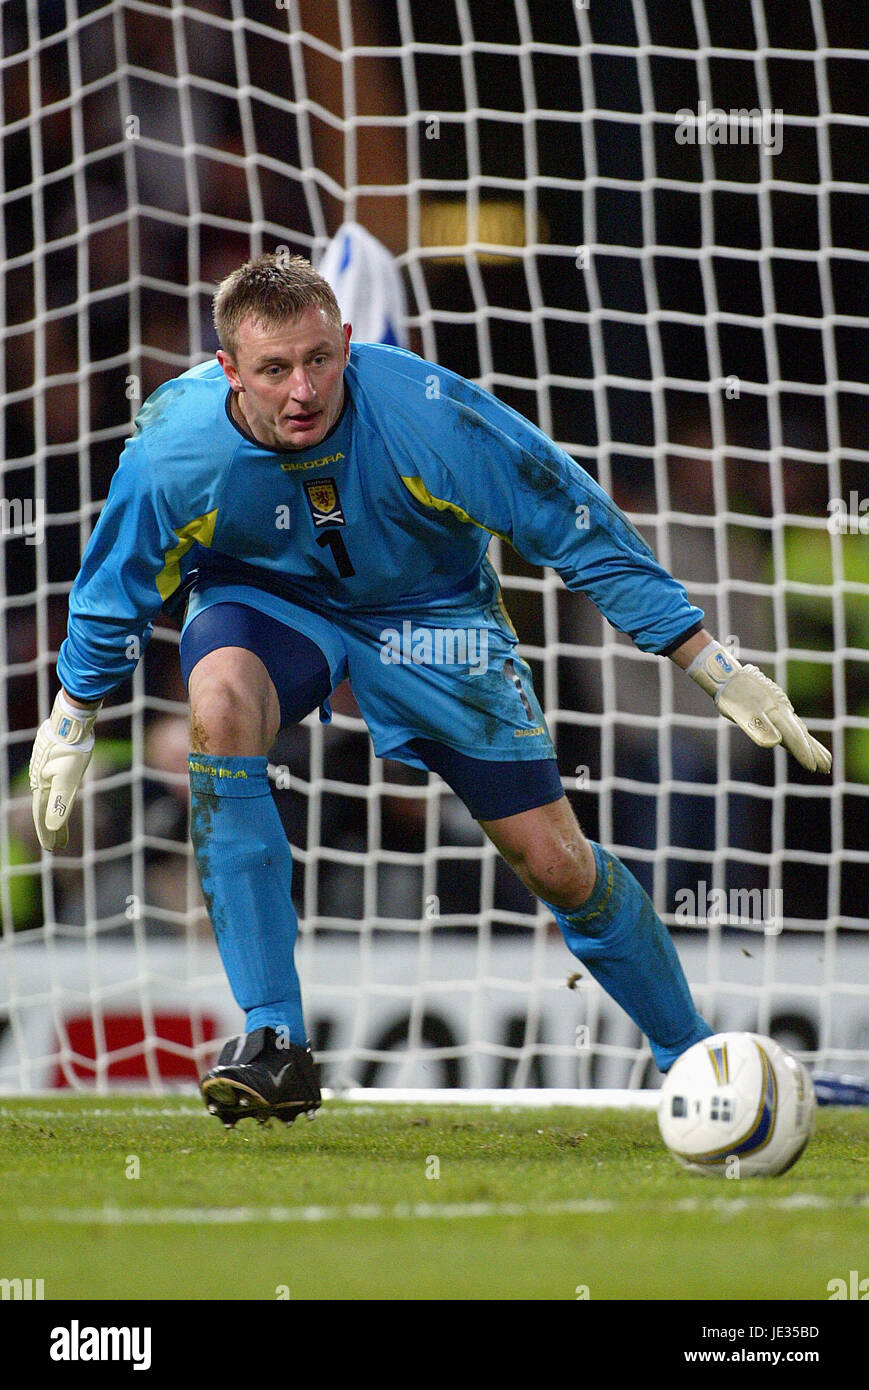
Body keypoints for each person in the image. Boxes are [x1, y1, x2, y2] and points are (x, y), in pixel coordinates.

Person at [29, 253, 832, 1127]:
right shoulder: (173, 446)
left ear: (345, 343)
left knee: (557, 864)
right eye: (273, 369)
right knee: (217, 702)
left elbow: (571, 520)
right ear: (228, 370)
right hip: (268, 605)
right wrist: (73, 717)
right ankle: (275, 1042)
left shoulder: (427, 411)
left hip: (430, 615)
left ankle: (690, 1056)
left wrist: (707, 661)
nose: (302, 389)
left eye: (318, 360)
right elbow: (114, 587)